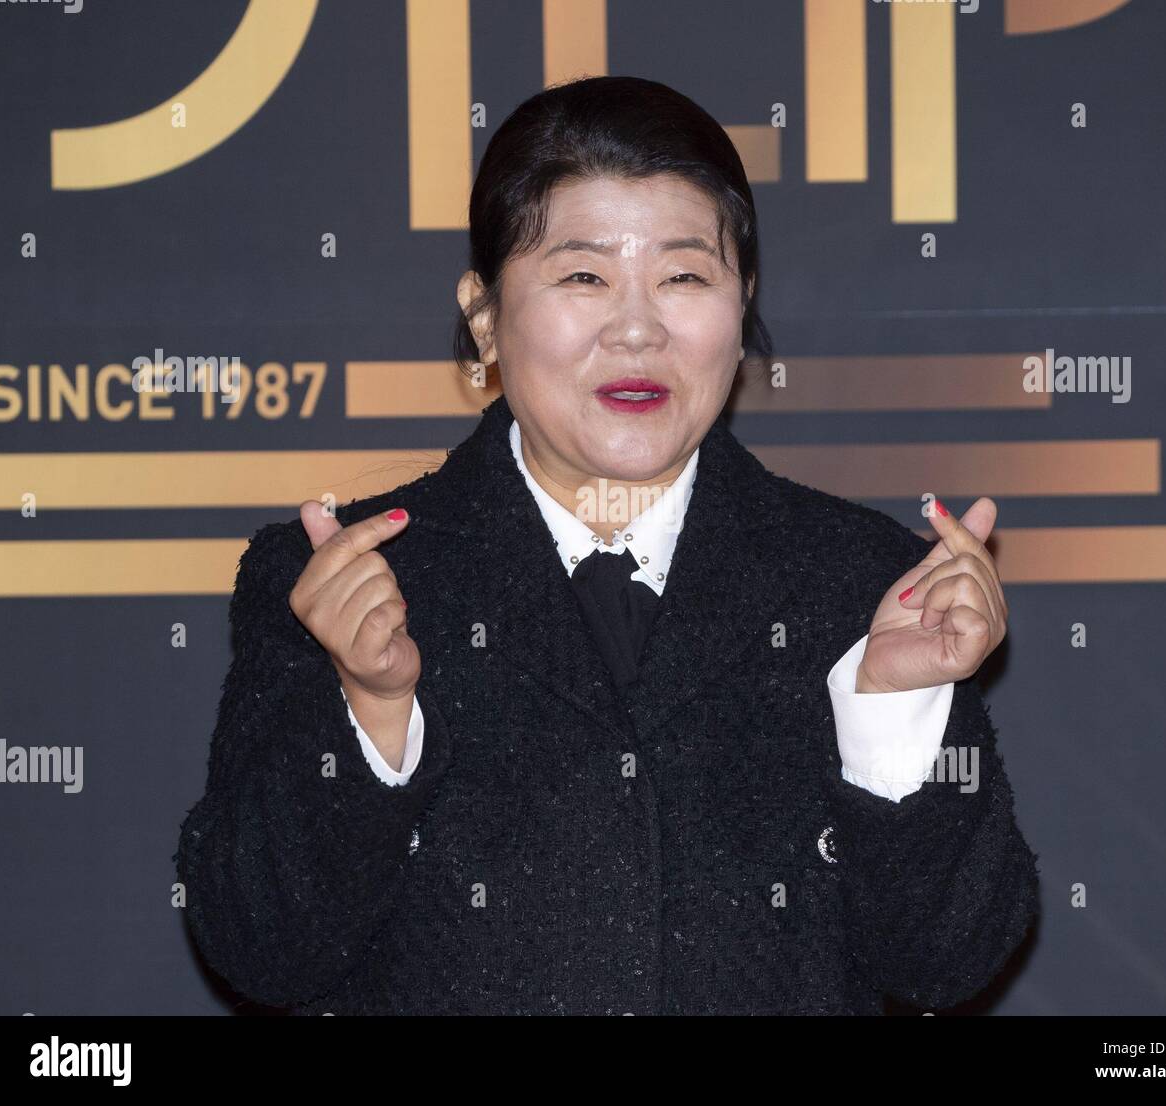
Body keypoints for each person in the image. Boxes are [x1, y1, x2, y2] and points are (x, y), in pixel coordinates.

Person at [175, 75, 1039, 1015]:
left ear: (741, 304)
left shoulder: (866, 589)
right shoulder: (346, 583)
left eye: (683, 276)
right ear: (483, 316)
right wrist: (373, 713)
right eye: (583, 276)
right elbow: (264, 951)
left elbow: (947, 964)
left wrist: (892, 716)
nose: (637, 328)